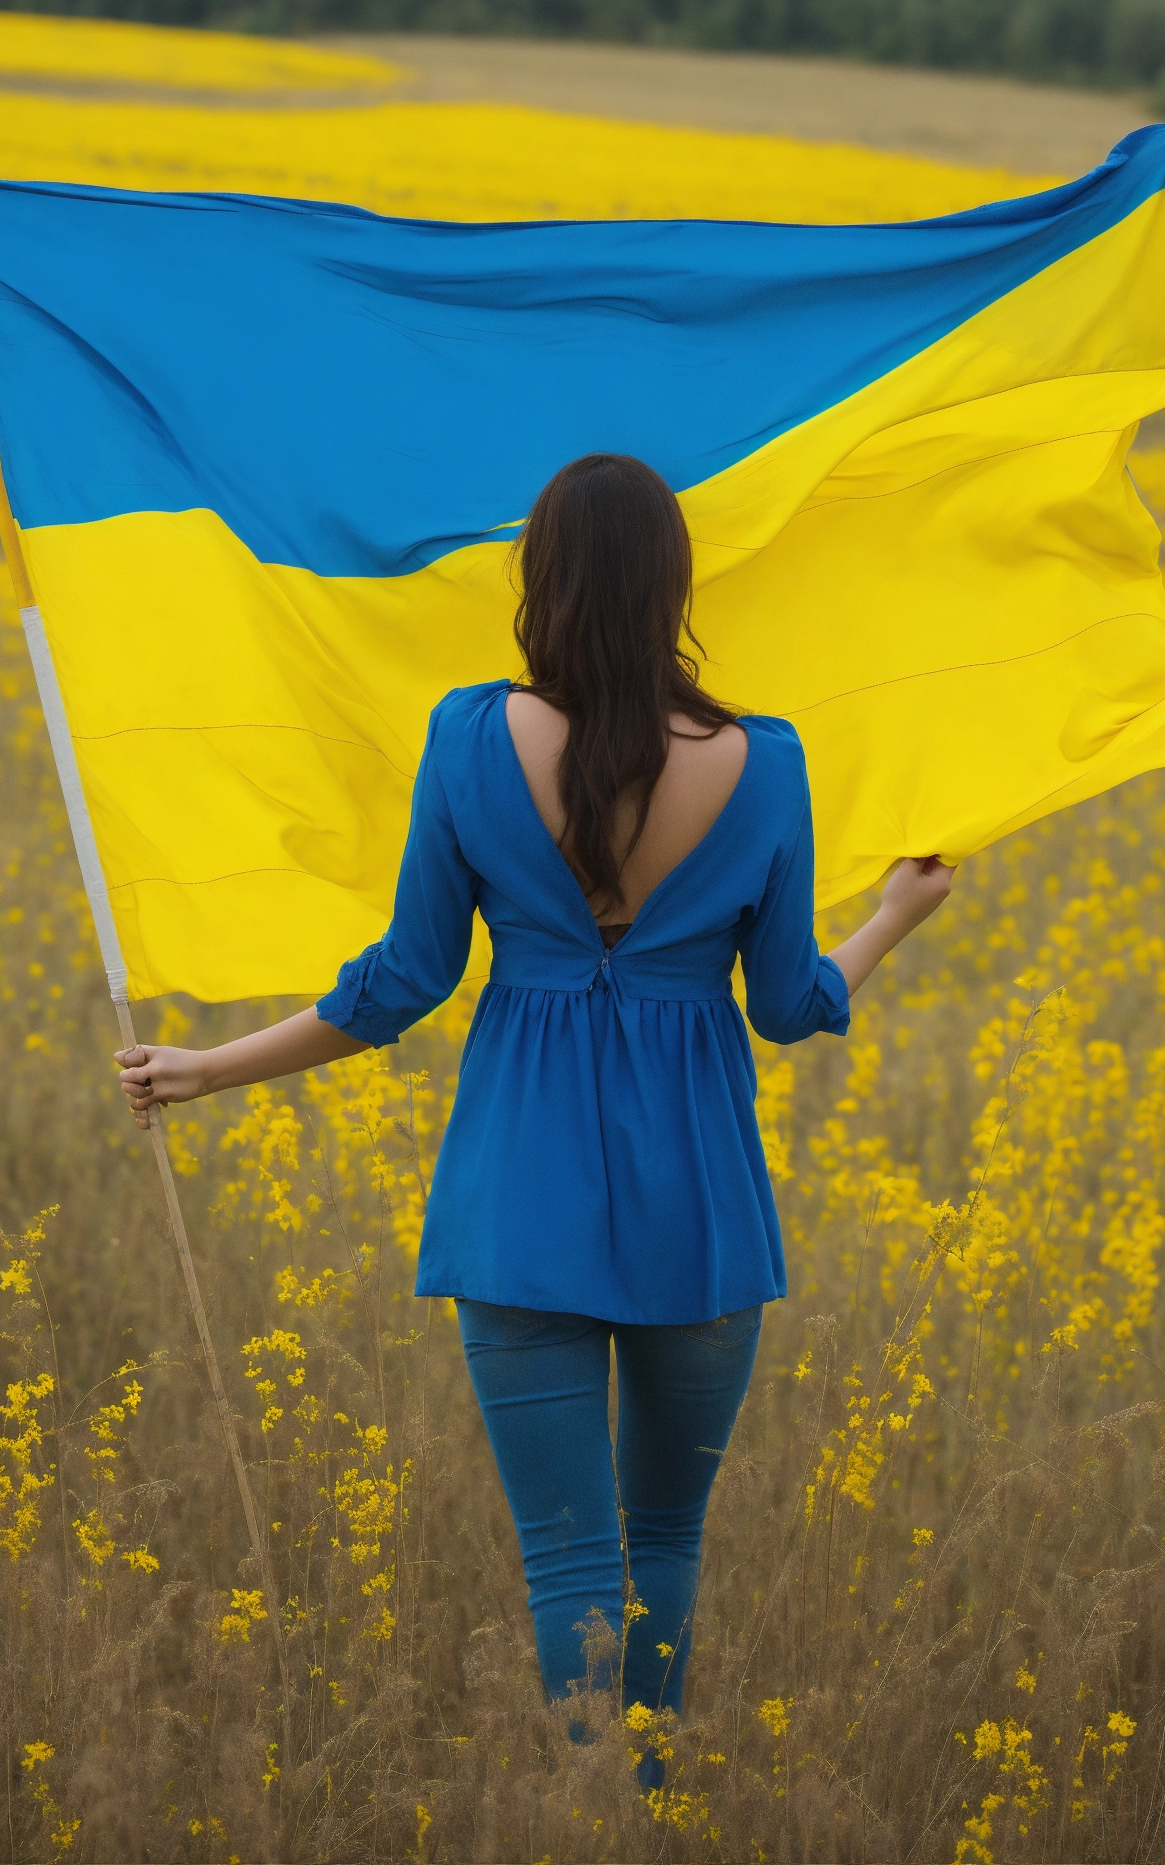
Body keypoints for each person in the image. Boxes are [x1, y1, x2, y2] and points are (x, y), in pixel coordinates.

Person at [115, 452, 955, 1745]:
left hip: (520, 1203)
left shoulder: (466, 740)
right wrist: (892, 921)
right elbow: (788, 1008)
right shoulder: (766, 762)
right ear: (675, 585)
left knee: (568, 1568)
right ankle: (649, 1803)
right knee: (665, 1540)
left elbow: (399, 985)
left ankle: (590, 1811)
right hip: (704, 1216)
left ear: (540, 580)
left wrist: (206, 1067)